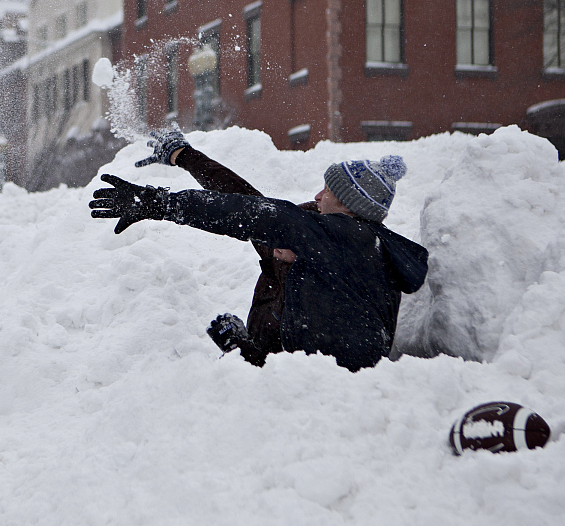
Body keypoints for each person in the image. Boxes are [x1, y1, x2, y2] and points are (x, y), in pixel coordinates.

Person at [90, 128, 429, 371]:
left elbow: (252, 214)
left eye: (327, 191)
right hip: (309, 389)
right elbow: (249, 204)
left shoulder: (343, 238)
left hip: (332, 406)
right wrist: (245, 350)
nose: (316, 196)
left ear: (350, 205)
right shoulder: (351, 249)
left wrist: (159, 202)